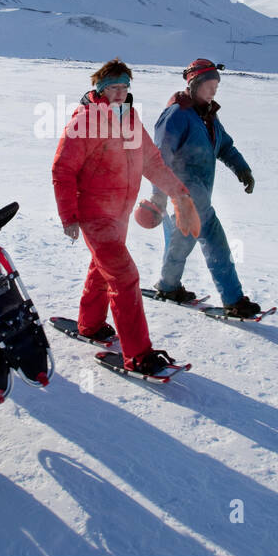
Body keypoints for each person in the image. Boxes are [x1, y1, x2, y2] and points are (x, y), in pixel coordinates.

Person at [51, 58, 202, 374]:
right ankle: (139, 355)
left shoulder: (130, 120)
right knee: (125, 276)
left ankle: (90, 325)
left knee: (101, 267)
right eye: (113, 87)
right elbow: (63, 169)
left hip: (119, 213)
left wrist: (179, 194)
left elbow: (153, 164)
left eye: (124, 87)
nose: (120, 93)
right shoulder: (86, 122)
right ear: (100, 89)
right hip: (94, 214)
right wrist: (69, 216)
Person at [137, 58, 261, 318]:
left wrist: (242, 169)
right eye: (209, 85)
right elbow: (159, 156)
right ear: (194, 84)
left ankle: (169, 286)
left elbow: (225, 146)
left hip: (199, 194)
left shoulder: (208, 116)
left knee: (181, 241)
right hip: (185, 194)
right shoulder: (177, 114)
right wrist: (158, 195)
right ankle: (233, 298)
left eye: (216, 85)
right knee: (214, 243)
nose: (214, 90)